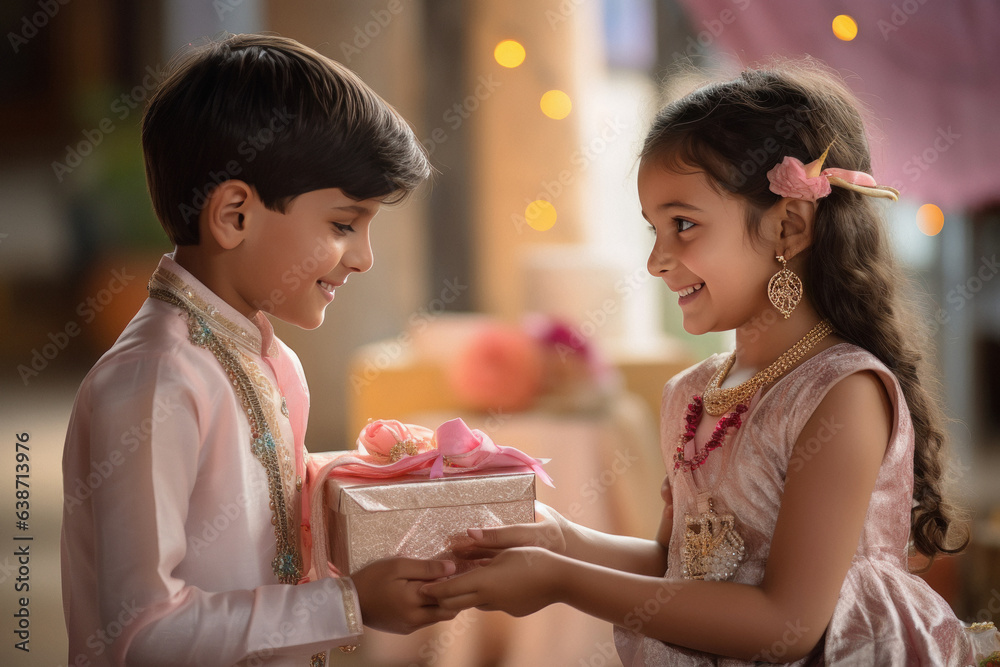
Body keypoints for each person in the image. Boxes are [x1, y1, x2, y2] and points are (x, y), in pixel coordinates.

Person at [423, 60, 999, 665]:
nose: (656, 260)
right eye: (653, 228)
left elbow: (788, 624)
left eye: (684, 224)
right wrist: (566, 542)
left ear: (789, 226)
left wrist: (563, 581)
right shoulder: (692, 391)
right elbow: (677, 568)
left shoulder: (840, 393)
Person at [61, 34, 457, 666]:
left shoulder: (274, 362)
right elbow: (141, 636)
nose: (363, 257)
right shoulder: (153, 384)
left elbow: (272, 528)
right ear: (234, 216)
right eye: (342, 225)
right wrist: (348, 605)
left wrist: (394, 481)